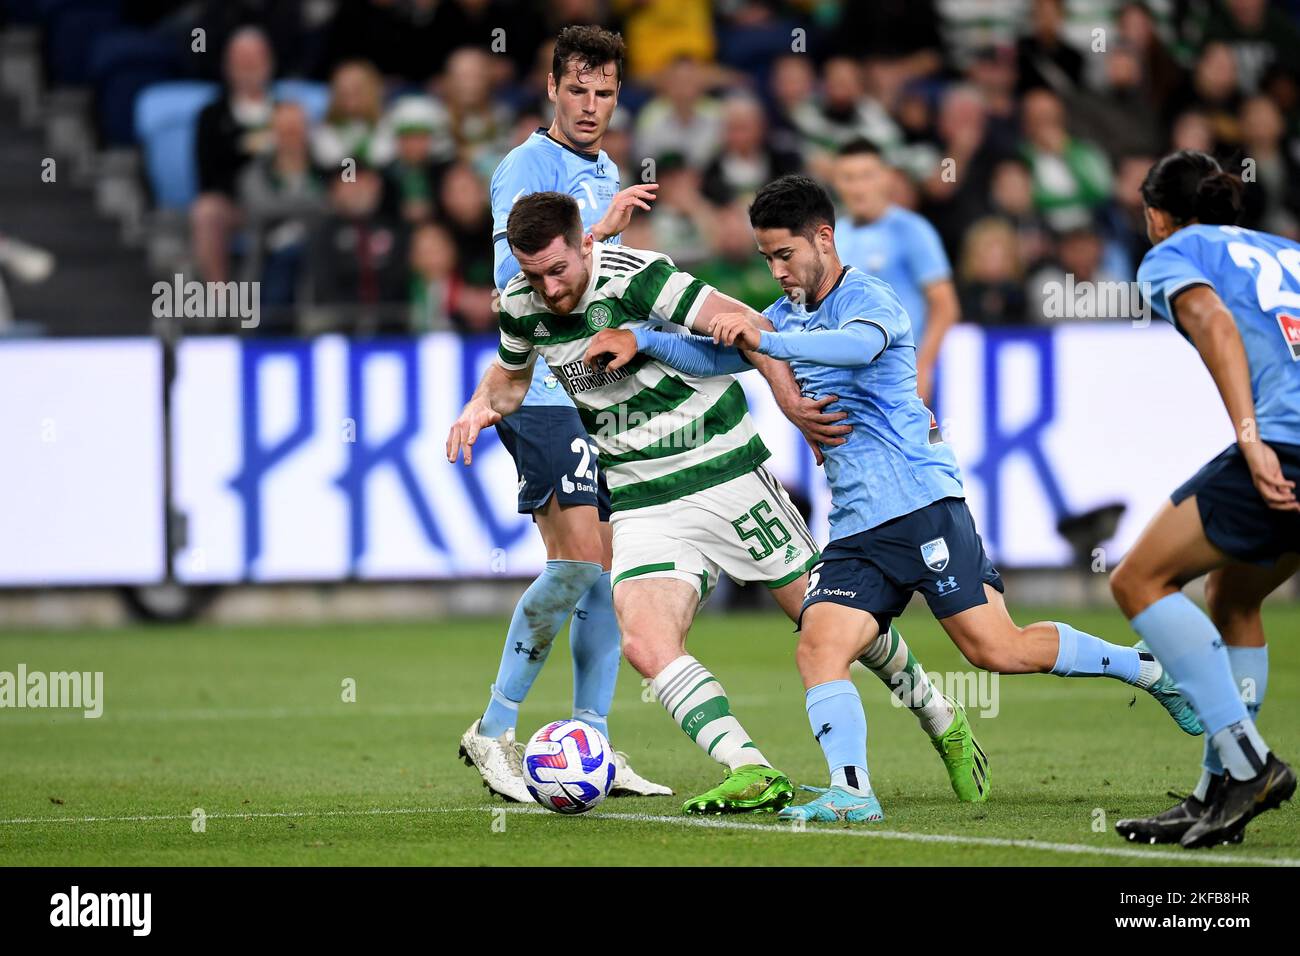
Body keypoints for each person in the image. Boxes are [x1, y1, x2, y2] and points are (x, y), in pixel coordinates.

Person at [603, 175, 1202, 823]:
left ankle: (1145, 668)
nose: (776, 271)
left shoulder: (871, 298)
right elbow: (715, 358)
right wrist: (645, 341)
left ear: (823, 239)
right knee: (819, 646)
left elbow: (857, 347)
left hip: (919, 505)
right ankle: (853, 791)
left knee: (996, 649)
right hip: (858, 527)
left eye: (784, 255)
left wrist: (765, 341)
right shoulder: (787, 316)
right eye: (765, 258)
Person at [450, 189, 989, 815]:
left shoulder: (641, 279)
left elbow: (750, 327)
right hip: (639, 495)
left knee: (831, 623)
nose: (547, 287)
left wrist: (790, 404)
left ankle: (940, 716)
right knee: (645, 642)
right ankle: (751, 768)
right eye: (534, 273)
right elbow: (513, 379)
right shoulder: (520, 303)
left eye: (558, 270)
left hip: (724, 474)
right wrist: (479, 405)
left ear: (585, 244)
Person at [458, 25, 668, 804]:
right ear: (550, 89)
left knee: (607, 577)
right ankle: (495, 728)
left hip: (590, 391)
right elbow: (526, 282)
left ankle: (592, 744)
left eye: (604, 92)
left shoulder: (604, 166)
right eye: (575, 89)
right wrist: (604, 231)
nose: (589, 105)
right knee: (578, 563)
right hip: (541, 388)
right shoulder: (525, 167)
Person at [1109, 150, 1297, 848]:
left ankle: (1249, 766)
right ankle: (1213, 793)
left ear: (1156, 214)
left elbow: (1214, 322)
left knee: (1138, 579)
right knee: (1234, 597)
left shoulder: (1174, 252)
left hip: (1284, 441)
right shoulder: (1287, 250)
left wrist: (1251, 438)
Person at [832, 138, 958, 404]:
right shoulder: (835, 237)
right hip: (852, 385)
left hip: (903, 380)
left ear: (886, 178)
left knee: (921, 445)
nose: (857, 187)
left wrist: (923, 366)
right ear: (837, 183)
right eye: (848, 178)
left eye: (866, 176)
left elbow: (945, 305)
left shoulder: (911, 230)